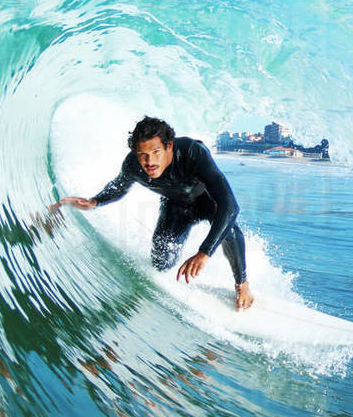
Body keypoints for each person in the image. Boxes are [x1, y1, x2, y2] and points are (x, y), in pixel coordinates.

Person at [51, 116, 254, 311]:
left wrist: (205, 252)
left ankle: (242, 284)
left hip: (207, 202)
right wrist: (95, 201)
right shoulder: (133, 165)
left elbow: (230, 206)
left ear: (169, 146)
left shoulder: (193, 152)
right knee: (160, 261)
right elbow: (119, 187)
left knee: (228, 228)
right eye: (142, 155)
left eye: (156, 152)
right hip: (175, 207)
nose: (149, 161)